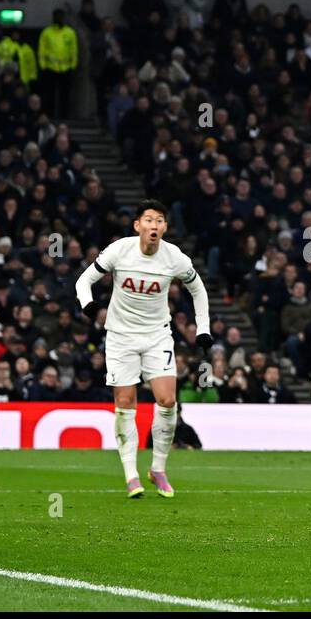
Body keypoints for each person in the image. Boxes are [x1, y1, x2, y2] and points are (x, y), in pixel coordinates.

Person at [75, 200, 211, 498]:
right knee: (125, 403)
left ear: (164, 227)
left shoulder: (173, 257)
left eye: (159, 221)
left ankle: (158, 469)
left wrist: (203, 328)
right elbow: (84, 280)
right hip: (120, 336)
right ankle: (131, 475)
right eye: (148, 220)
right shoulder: (119, 251)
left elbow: (198, 289)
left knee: (167, 400)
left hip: (157, 336)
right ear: (137, 225)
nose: (154, 225)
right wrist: (88, 305)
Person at [38, 8, 78, 117]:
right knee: (49, 94)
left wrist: (73, 65)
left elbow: (74, 50)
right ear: (53, 18)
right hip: (50, 68)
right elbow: (42, 50)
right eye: (56, 16)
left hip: (66, 68)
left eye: (61, 16)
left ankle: (64, 116)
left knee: (65, 94)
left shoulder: (70, 32)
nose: (58, 18)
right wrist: (43, 66)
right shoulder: (47, 32)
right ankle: (50, 115)